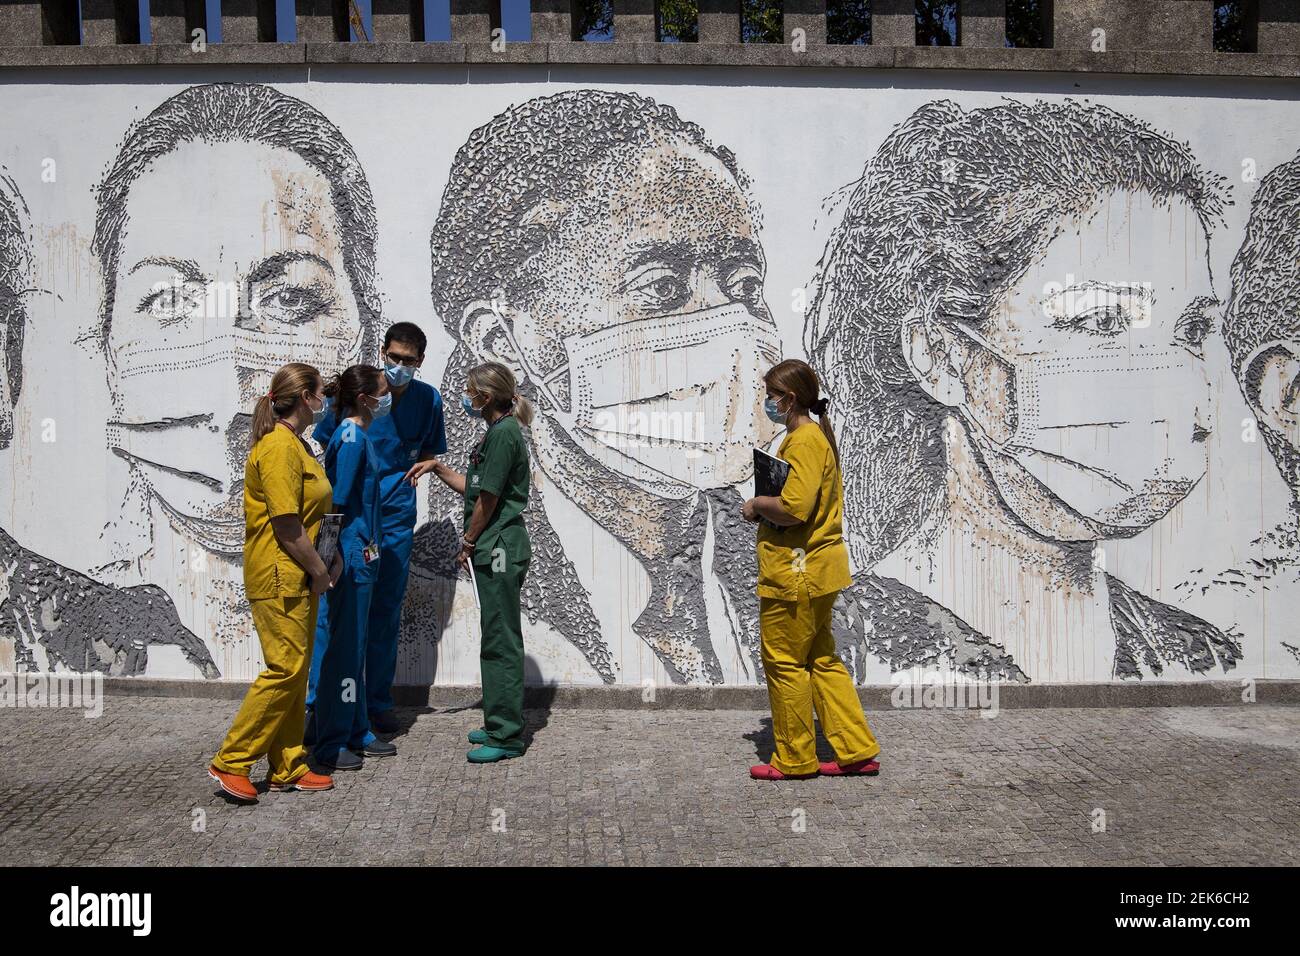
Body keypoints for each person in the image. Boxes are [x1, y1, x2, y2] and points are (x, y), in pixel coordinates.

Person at [806, 98, 1240, 683]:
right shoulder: (849, 649)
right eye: (1101, 321)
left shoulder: (1199, 656)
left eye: (1189, 330)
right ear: (942, 356)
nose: (1171, 379)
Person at [426, 90, 781, 690]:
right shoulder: (435, 603)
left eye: (744, 283)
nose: (730, 321)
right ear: (504, 341)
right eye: (662, 288)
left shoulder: (851, 605)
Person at [741, 359, 882, 780]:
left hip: (794, 574)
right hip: (820, 571)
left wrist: (755, 506)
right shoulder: (814, 438)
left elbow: (794, 509)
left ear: (788, 399)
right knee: (821, 658)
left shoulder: (803, 441)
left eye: (770, 395)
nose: (766, 401)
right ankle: (856, 750)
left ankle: (795, 758)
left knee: (784, 662)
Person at [209, 363, 340, 803]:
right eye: (321, 391)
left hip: (296, 573)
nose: (326, 399)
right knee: (285, 668)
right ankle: (232, 759)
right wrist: (320, 571)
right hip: (281, 573)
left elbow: (306, 516)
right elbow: (286, 525)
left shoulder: (295, 445)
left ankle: (288, 765)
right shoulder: (280, 448)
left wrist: (325, 560)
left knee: (295, 670)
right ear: (305, 397)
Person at [310, 322, 447, 735]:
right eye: (394, 357)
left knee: (385, 610)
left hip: (396, 518)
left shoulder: (428, 400)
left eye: (408, 360)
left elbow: (428, 449)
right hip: (354, 520)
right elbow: (330, 448)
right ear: (383, 351)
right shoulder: (360, 395)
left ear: (420, 362)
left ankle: (376, 701)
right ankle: (318, 703)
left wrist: (424, 466)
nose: (399, 366)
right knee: (335, 611)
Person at [430, 363, 533, 763]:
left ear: (485, 397)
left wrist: (468, 541)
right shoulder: (497, 431)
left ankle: (507, 736)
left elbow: (488, 501)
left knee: (501, 640)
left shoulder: (504, 434)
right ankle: (497, 723)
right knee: (494, 635)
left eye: (470, 391)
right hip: (495, 546)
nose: (465, 397)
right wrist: (438, 468)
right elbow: (474, 489)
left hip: (499, 547)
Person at [308, 365, 399, 771]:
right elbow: (337, 505)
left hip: (364, 555)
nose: (389, 395)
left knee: (356, 648)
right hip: (349, 558)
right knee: (344, 654)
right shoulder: (350, 438)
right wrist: (329, 560)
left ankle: (357, 727)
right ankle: (331, 740)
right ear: (365, 399)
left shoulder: (361, 436)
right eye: (383, 390)